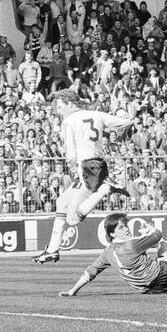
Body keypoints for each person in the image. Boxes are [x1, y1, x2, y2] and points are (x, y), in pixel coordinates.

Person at [33, 89, 132, 264]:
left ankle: (106, 188)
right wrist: (115, 136)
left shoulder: (69, 120)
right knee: (61, 203)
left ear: (70, 103)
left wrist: (71, 161)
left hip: (86, 167)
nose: (58, 110)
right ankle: (52, 250)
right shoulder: (97, 114)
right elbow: (126, 122)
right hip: (98, 164)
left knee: (71, 219)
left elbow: (70, 154)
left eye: (61, 106)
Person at [58, 213, 167, 297]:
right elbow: (158, 235)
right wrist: (151, 229)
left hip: (148, 291)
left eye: (125, 226)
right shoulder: (132, 244)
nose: (126, 229)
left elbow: (90, 272)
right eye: (121, 227)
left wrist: (72, 291)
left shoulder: (107, 253)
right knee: (165, 246)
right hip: (163, 275)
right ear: (112, 233)